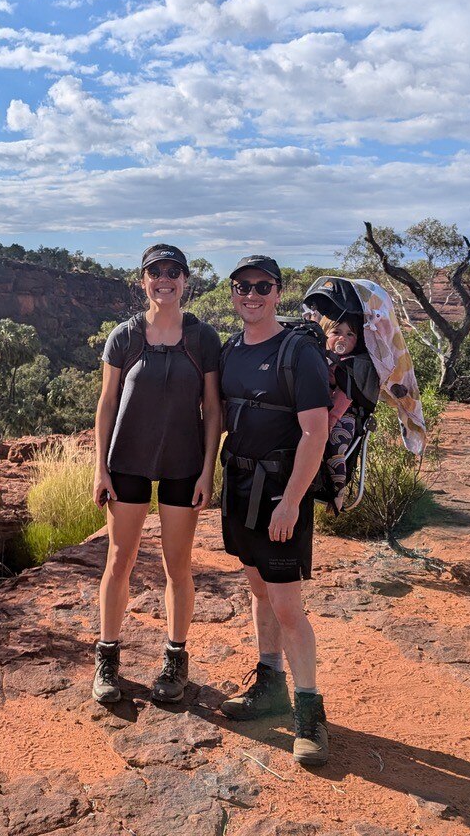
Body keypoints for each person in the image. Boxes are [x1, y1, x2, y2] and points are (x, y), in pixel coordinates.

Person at [91, 244, 222, 705]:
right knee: (119, 560)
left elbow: (213, 409)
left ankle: (175, 658)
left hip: (183, 465)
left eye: (173, 272)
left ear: (185, 280)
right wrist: (100, 467)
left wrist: (207, 471)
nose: (164, 279)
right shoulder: (124, 337)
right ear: (143, 280)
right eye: (155, 272)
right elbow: (107, 403)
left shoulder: (203, 339)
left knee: (177, 566)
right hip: (127, 461)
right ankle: (107, 658)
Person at [215, 255, 332, 767]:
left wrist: (291, 502)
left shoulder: (297, 352)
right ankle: (270, 686)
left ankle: (310, 714)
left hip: (281, 492)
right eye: (242, 286)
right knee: (259, 590)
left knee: (287, 606)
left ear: (278, 292)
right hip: (239, 488)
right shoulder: (231, 350)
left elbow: (315, 432)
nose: (252, 295)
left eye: (262, 286)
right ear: (232, 292)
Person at [320, 312, 379, 509]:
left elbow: (343, 397)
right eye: (336, 332)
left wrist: (330, 422)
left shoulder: (352, 366)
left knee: (337, 444)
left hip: (343, 415)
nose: (342, 339)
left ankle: (338, 491)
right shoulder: (318, 359)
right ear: (324, 334)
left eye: (350, 334)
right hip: (316, 410)